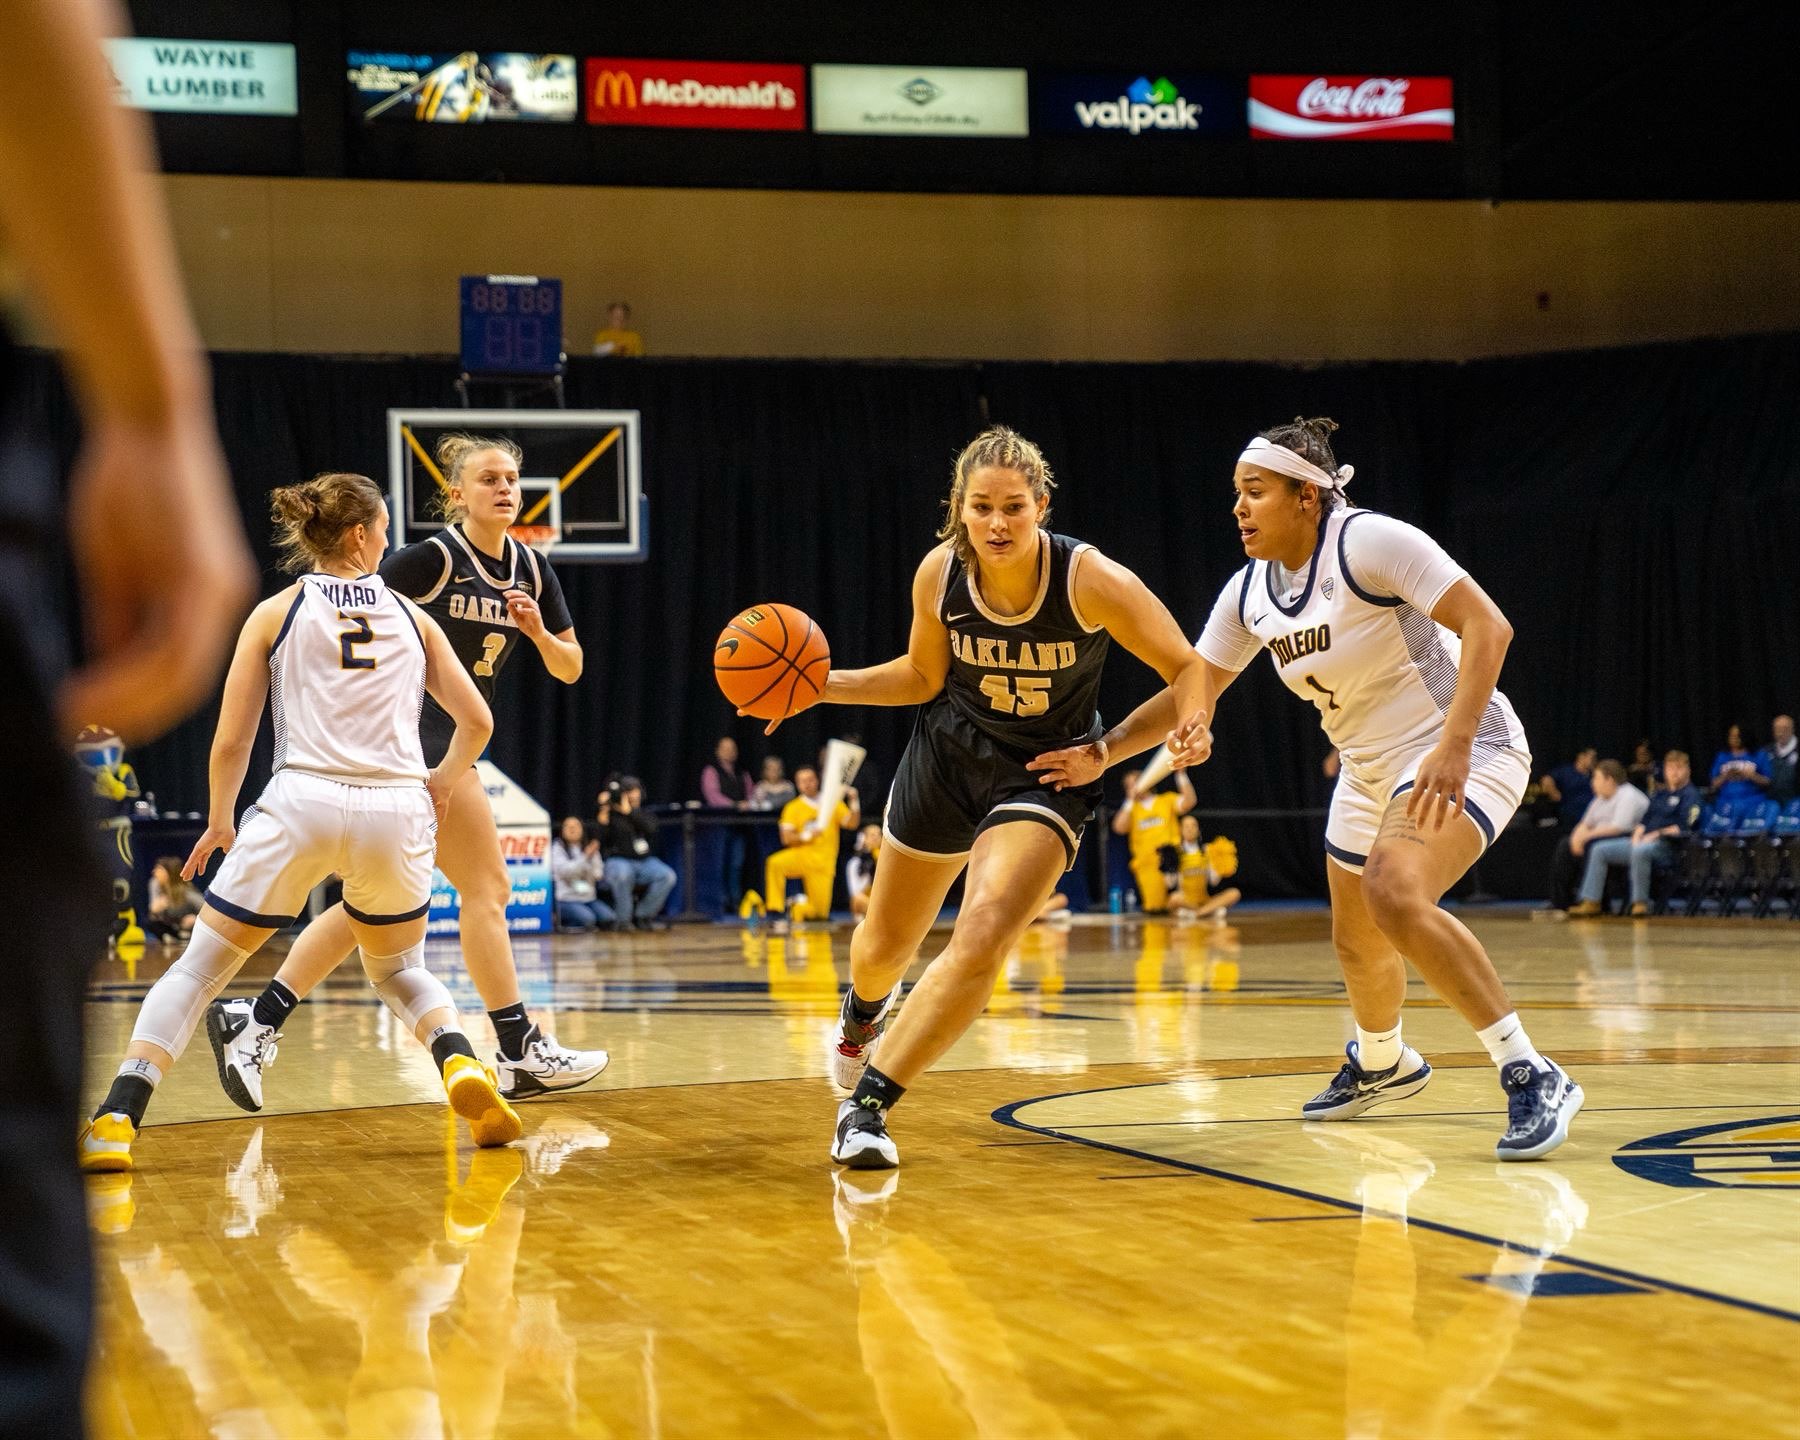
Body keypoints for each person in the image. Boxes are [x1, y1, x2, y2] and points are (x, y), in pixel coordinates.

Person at [1046, 416, 1584, 1161]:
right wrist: (1107, 752)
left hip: (1461, 743)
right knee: (1356, 940)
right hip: (1367, 768)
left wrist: (1455, 746)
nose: (1238, 507)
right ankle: (1382, 1062)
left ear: (1307, 496)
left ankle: (1529, 1069)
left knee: (1395, 892)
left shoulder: (1369, 543)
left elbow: (1488, 627)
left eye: (1255, 491)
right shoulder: (1249, 592)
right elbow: (1193, 686)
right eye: (1237, 492)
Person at [0, 1, 257, 1428]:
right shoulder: (359, 609)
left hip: (300, 811)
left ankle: (144, 1091)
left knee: (243, 954)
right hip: (368, 806)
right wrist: (150, 410)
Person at [767, 425, 1207, 1170]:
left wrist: (1116, 748)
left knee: (984, 932)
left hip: (1044, 773)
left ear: (1041, 507)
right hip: (946, 759)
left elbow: (1187, 669)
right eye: (982, 507)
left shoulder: (1090, 579)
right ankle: (863, 1014)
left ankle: (867, 1108)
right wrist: (821, 685)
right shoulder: (940, 574)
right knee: (881, 949)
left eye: (1013, 507)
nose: (997, 523)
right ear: (960, 509)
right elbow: (921, 678)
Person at [81, 473, 520, 1172]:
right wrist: (439, 783)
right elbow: (479, 722)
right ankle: (461, 1063)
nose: (387, 543)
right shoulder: (415, 618)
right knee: (400, 970)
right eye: (383, 530)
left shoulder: (275, 611)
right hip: (395, 807)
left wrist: (220, 819)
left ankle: (115, 1118)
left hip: (303, 800)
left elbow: (233, 740)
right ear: (359, 535)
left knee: (199, 970)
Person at [213, 434, 608, 1107]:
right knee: (486, 890)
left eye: (511, 479)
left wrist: (539, 634)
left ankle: (258, 1017)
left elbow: (570, 667)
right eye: (488, 479)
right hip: (408, 747)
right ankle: (518, 1049)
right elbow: (340, 607)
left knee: (372, 910)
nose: (505, 489)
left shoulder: (533, 569)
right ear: (457, 494)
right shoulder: (430, 559)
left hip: (452, 745)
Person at [1568, 751, 1704, 917]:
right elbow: (1644, 821)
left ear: (1687, 770)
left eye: (1678, 768)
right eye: (1670, 768)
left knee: (1640, 851)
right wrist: (1637, 835)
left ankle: (1640, 903)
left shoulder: (1691, 795)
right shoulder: (1660, 794)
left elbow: (1684, 827)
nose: (1674, 773)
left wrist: (1655, 835)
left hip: (1670, 847)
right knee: (1599, 849)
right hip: (1645, 841)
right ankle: (1591, 901)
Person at [1546, 760, 1650, 913]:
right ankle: (1561, 902)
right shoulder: (1600, 798)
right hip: (1599, 837)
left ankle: (1594, 901)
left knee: (1592, 846)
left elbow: (1619, 827)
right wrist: (1576, 838)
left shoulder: (1628, 795)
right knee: (1565, 844)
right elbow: (1585, 822)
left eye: (1596, 778)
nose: (1592, 782)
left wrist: (1586, 837)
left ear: (1609, 779)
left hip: (1628, 839)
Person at [763, 764, 860, 925]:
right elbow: (786, 838)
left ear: (817, 780)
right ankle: (775, 910)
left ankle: (796, 907)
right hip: (802, 856)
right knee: (775, 863)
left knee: (819, 914)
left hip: (823, 862)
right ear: (797, 784)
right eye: (802, 781)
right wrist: (806, 835)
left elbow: (852, 823)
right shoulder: (793, 807)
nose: (807, 784)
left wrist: (854, 801)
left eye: (810, 780)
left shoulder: (832, 804)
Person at [1111, 764, 1197, 913]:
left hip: (1173, 861)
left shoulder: (1166, 800)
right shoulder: (1132, 809)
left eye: (1135, 783)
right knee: (1156, 908)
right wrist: (1130, 800)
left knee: (1184, 897)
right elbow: (1119, 827)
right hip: (1147, 866)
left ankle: (1194, 911)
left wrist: (1181, 776)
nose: (1133, 788)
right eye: (1128, 786)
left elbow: (1189, 802)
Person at [598, 776, 675, 930]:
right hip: (618, 860)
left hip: (644, 861)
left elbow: (650, 828)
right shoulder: (612, 816)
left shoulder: (644, 813)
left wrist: (629, 812)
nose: (633, 795)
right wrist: (604, 809)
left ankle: (643, 916)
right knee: (624, 874)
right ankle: (623, 920)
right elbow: (600, 838)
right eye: (629, 791)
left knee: (667, 876)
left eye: (636, 790)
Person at [701, 735, 753, 905]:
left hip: (740, 825)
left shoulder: (742, 773)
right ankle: (719, 901)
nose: (730, 752)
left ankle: (735, 901)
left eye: (732, 749)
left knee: (737, 864)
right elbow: (713, 796)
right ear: (718, 751)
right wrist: (735, 805)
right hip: (719, 825)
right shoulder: (711, 771)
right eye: (725, 748)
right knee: (719, 863)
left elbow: (751, 794)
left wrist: (749, 804)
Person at [1173, 813, 1241, 920]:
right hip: (1185, 900)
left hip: (1204, 899)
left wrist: (1221, 866)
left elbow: (1214, 882)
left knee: (1235, 893)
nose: (1190, 829)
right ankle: (1209, 911)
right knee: (1174, 899)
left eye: (1193, 825)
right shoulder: (1175, 852)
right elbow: (1170, 883)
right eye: (1186, 826)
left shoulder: (1208, 850)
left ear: (1198, 830)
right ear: (1180, 830)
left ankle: (1197, 913)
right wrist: (1168, 867)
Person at [551, 816, 613, 932]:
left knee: (608, 918)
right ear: (562, 831)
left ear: (582, 830)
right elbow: (566, 872)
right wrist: (585, 857)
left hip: (589, 898)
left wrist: (589, 862)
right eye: (568, 826)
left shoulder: (590, 847)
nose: (572, 829)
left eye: (576, 826)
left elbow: (598, 874)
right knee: (588, 919)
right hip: (567, 899)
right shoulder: (557, 848)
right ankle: (564, 925)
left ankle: (587, 922)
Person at [1708, 723, 1768, 810]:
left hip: (1752, 801)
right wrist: (1726, 775)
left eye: (1737, 736)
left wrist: (1751, 775)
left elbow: (1767, 781)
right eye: (1731, 736)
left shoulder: (1758, 755)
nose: (1734, 739)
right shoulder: (1722, 756)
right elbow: (1714, 784)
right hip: (1726, 801)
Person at [1537, 747, 1597, 830]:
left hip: (1592, 814)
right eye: (1591, 757)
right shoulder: (1567, 771)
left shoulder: (1594, 775)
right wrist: (1554, 793)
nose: (1594, 760)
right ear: (1581, 756)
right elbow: (1546, 779)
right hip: (1571, 813)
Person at [146, 855, 202, 945]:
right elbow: (153, 910)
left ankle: (186, 936)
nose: (154, 872)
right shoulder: (154, 884)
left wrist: (196, 918)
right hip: (172, 924)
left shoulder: (186, 891)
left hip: (188, 925)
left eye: (159, 869)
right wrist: (156, 909)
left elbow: (205, 908)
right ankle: (172, 936)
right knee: (151, 921)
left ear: (169, 873)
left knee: (193, 923)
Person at [847, 824, 882, 918]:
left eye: (879, 834)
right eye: (872, 835)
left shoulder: (885, 859)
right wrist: (869, 867)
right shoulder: (855, 862)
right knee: (857, 899)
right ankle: (881, 915)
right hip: (866, 900)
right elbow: (856, 892)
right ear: (864, 838)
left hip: (883, 899)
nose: (876, 837)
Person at [1762, 714, 1797, 806]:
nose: (1780, 733)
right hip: (1771, 800)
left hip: (1795, 800)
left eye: (1785, 729)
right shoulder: (1766, 751)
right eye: (1777, 729)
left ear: (1792, 729)